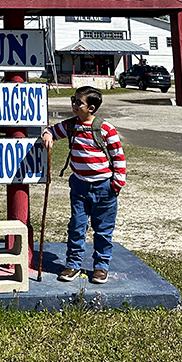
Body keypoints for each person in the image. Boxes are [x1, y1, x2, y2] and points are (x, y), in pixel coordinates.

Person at [41, 85, 126, 284]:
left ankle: (100, 267)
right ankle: (73, 264)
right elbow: (51, 129)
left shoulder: (105, 129)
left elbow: (118, 157)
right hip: (79, 187)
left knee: (103, 230)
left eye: (79, 102)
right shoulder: (71, 125)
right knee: (77, 226)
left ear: (91, 108)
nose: (74, 104)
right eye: (74, 99)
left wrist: (116, 184)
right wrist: (47, 135)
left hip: (104, 188)